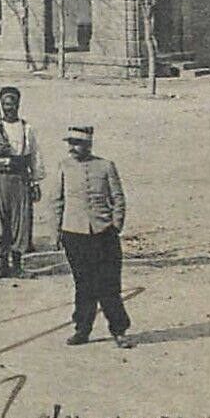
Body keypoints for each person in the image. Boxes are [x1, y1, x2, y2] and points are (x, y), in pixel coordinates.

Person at [47, 126, 133, 348]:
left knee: (109, 284)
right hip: (74, 233)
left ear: (88, 145)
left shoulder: (105, 166)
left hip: (104, 234)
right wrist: (55, 232)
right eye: (71, 143)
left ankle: (119, 331)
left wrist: (116, 225)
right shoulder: (63, 167)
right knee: (83, 284)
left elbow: (118, 198)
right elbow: (56, 201)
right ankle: (82, 330)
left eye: (78, 143)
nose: (73, 148)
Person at [0, 86, 41, 279]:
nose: (9, 108)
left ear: (18, 104)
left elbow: (34, 156)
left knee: (20, 221)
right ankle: (2, 263)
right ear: (1, 105)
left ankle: (17, 264)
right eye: (5, 104)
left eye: (12, 103)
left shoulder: (26, 128)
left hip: (20, 178)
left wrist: (35, 181)